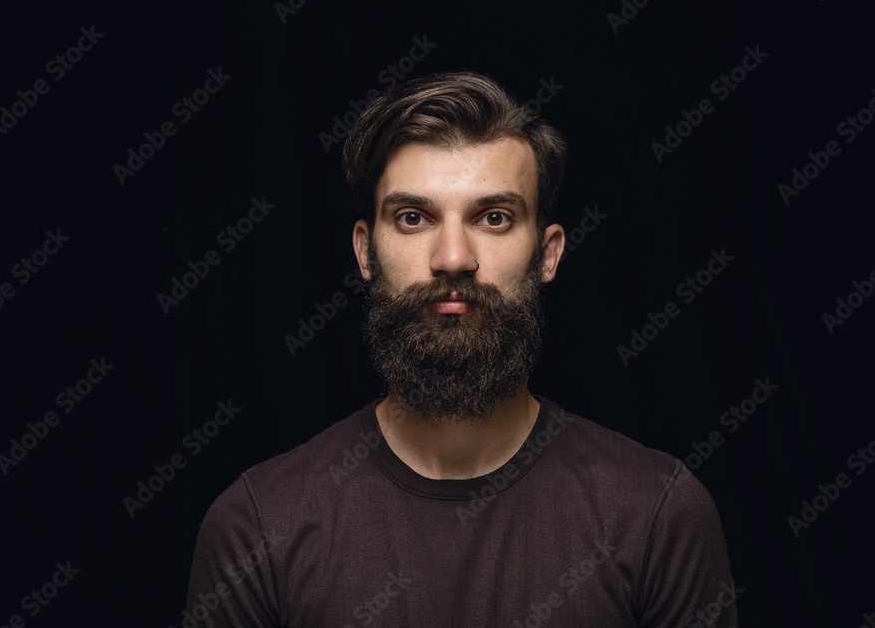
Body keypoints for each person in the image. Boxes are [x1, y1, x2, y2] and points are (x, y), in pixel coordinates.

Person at [184, 71, 739, 627]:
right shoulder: (258, 526)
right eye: (413, 218)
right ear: (365, 252)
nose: (453, 257)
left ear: (547, 255)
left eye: (493, 218)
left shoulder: (656, 515)